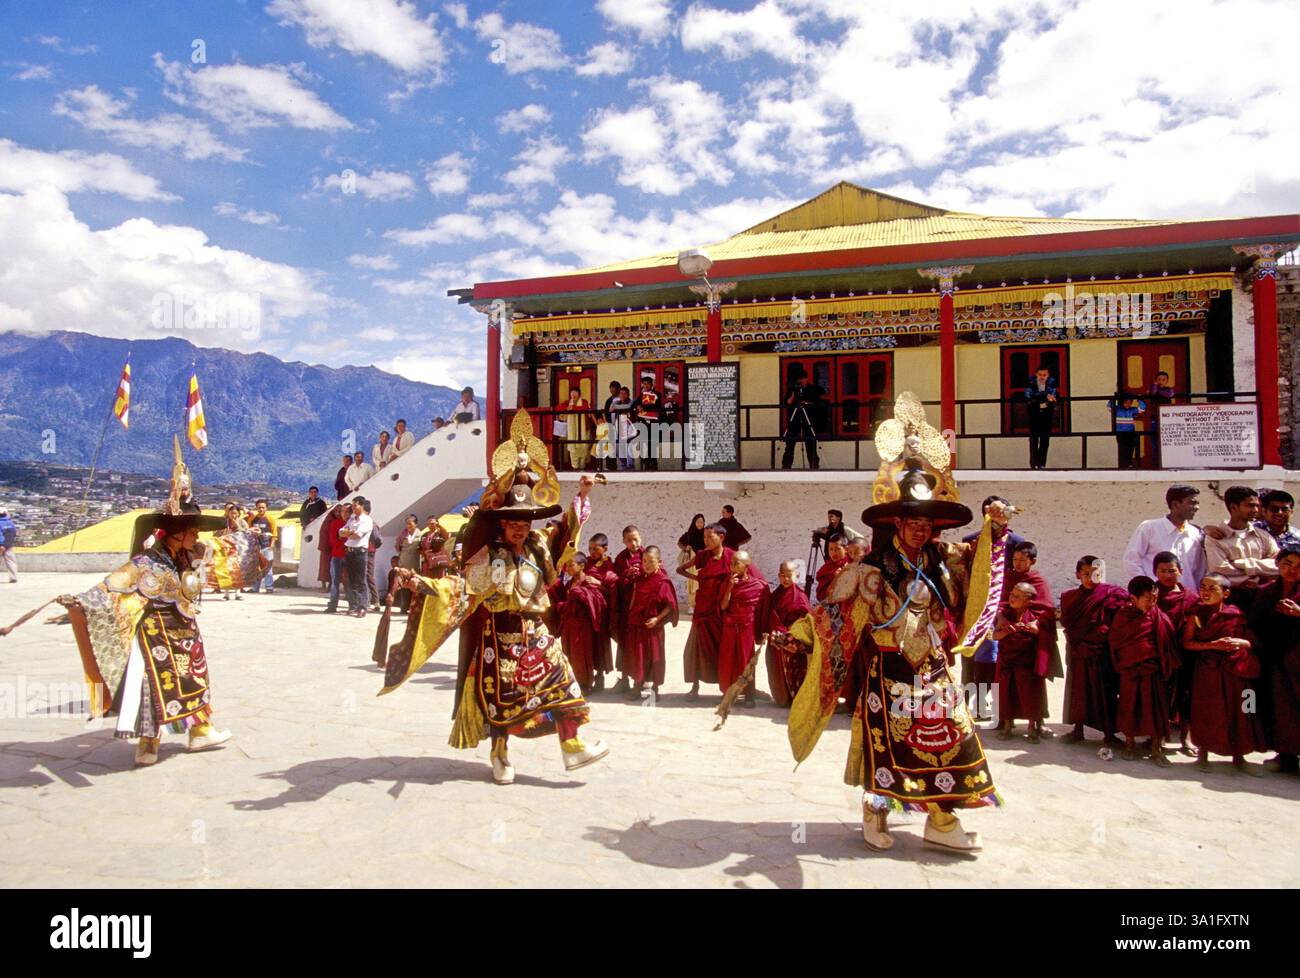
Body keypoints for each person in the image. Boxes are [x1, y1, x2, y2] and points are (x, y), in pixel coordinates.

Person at [380, 413, 608, 786]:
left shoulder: (537, 546)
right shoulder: (491, 556)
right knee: (503, 698)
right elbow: (460, 589)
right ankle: (499, 752)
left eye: (525, 521)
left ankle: (572, 745)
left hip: (536, 633)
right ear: (501, 522)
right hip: (498, 638)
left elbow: (565, 534)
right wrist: (419, 581)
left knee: (563, 683)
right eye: (513, 521)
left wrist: (583, 494)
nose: (521, 527)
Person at [781, 456, 995, 853]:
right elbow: (831, 612)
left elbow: (979, 561)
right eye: (913, 523)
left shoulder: (942, 560)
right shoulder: (871, 568)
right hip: (889, 668)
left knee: (951, 737)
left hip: (933, 667)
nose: (921, 530)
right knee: (885, 745)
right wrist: (800, 636)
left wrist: (993, 526)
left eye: (927, 524)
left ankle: (943, 818)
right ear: (895, 523)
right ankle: (875, 812)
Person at [34, 450, 232, 766]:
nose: (196, 536)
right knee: (152, 684)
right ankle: (149, 742)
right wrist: (82, 602)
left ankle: (200, 730)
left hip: (185, 631)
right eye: (192, 530)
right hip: (154, 633)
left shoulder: (184, 557)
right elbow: (112, 584)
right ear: (178, 533)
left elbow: (215, 556)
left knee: (194, 678)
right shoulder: (146, 562)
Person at [1183, 574, 1265, 774]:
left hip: (1235, 671)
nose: (1206, 592)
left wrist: (1241, 643)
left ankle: (1239, 756)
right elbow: (1187, 642)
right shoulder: (1196, 614)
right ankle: (1203, 755)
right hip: (1207, 670)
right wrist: (1212, 645)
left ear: (1226, 593)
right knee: (1206, 712)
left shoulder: (1235, 615)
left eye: (1213, 588)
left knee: (1240, 712)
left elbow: (1252, 641)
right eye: (1203, 587)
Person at [1109, 576, 1179, 765]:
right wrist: (1125, 663)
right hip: (1131, 671)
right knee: (1130, 707)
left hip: (1154, 672)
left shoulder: (1159, 616)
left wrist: (1163, 663)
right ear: (1133, 599)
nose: (1153, 602)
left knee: (1156, 710)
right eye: (1148, 599)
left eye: (1155, 598)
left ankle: (1156, 748)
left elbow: (1168, 642)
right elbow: (1115, 643)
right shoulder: (1123, 616)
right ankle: (1129, 744)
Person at [1060, 556, 1129, 745]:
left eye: (1096, 574)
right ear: (1078, 575)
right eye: (1086, 574)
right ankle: (1078, 729)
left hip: (1102, 652)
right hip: (1078, 650)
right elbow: (1067, 622)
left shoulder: (1112, 594)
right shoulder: (1069, 596)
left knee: (1105, 693)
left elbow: (1123, 619)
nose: (1091, 578)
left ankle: (1109, 733)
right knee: (1078, 692)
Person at [1247, 545, 1300, 775]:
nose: (1292, 571)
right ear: (1278, 564)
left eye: (1299, 567)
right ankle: (1286, 756)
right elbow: (1255, 623)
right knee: (1281, 710)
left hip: (1298, 660)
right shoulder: (1268, 591)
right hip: (1278, 661)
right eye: (1287, 564)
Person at [991, 581, 1054, 742]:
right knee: (1006, 693)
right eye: (1012, 594)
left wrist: (1036, 630)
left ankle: (1032, 727)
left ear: (1029, 601)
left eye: (1018, 596)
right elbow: (994, 636)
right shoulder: (1004, 614)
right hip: (1007, 661)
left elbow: (1047, 636)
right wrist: (1005, 631)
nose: (1012, 598)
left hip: (1027, 662)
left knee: (1030, 695)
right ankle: (1006, 726)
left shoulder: (1036, 617)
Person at [679, 522, 734, 701]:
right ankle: (695, 687)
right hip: (703, 609)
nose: (706, 540)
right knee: (696, 648)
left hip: (721, 610)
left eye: (710, 536)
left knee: (722, 649)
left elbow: (746, 575)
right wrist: (698, 577)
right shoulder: (703, 555)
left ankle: (725, 688)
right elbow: (680, 569)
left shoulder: (732, 557)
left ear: (721, 537)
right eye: (704, 537)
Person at [1153, 550, 1201, 755]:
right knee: (1159, 696)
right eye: (1162, 571)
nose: (1167, 575)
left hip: (1184, 654)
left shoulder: (1190, 597)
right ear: (1155, 572)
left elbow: (1199, 625)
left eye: (1172, 570)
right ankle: (1159, 736)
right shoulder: (1152, 596)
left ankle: (1186, 738)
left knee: (1186, 697)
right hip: (1158, 654)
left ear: (1181, 571)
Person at [1203, 485, 1279, 613]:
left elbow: (1277, 564)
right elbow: (1220, 571)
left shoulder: (1262, 535)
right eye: (1250, 505)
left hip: (1261, 598)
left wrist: (1246, 565)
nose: (1255, 510)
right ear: (1233, 507)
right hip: (1231, 599)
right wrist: (1256, 577)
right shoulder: (1215, 537)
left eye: (1257, 505)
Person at [622, 545, 679, 700]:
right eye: (644, 561)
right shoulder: (639, 579)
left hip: (654, 626)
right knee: (638, 656)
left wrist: (657, 619)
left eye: (650, 561)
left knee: (655, 657)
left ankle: (655, 689)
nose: (646, 565)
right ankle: (637, 686)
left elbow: (670, 605)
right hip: (638, 625)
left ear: (659, 562)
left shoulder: (663, 581)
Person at [1122, 484, 1205, 587]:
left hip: (1187, 598)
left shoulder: (1195, 533)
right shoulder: (1149, 528)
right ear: (1175, 504)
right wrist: (1147, 588)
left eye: (1197, 503)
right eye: (1192, 503)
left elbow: (1199, 571)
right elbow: (1131, 561)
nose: (1197, 507)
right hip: (1156, 598)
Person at [717, 551, 771, 709]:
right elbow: (723, 606)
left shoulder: (758, 586)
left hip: (746, 629)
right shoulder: (727, 582)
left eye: (736, 563)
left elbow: (763, 610)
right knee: (727, 661)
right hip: (730, 627)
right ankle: (728, 693)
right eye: (731, 562)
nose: (732, 565)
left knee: (746, 662)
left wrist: (763, 632)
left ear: (746, 566)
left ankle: (748, 694)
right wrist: (730, 587)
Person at [550, 553, 609, 694]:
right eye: (567, 565)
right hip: (568, 625)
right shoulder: (570, 583)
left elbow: (597, 600)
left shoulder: (588, 581)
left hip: (582, 626)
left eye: (571, 565)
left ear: (582, 566)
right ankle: (571, 681)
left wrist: (579, 594)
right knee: (568, 654)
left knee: (581, 656)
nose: (568, 568)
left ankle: (584, 683)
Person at [765, 559, 812, 707]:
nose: (785, 579)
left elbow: (806, 620)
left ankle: (796, 698)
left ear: (795, 576)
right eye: (782, 575)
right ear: (779, 576)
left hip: (793, 640)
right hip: (777, 638)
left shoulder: (800, 596)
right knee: (776, 669)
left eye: (789, 575)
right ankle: (782, 698)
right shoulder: (775, 596)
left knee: (795, 671)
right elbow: (770, 615)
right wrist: (778, 632)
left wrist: (790, 635)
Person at [610, 525, 645, 693]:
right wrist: (626, 575)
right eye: (629, 540)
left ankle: (642, 678)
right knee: (624, 644)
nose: (634, 543)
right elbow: (615, 583)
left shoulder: (648, 555)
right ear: (624, 541)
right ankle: (624, 679)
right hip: (626, 608)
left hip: (642, 609)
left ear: (641, 538)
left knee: (640, 645)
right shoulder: (620, 559)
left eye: (636, 539)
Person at [782, 366, 821, 470]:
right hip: (794, 419)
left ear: (806, 379)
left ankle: (814, 467)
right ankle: (786, 467)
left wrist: (806, 403)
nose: (801, 382)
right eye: (799, 380)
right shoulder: (792, 389)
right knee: (790, 444)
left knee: (810, 444)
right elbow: (787, 402)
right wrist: (794, 393)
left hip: (807, 418)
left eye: (802, 379)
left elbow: (817, 403)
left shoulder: (812, 389)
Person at [340, 498, 372, 618]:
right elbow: (340, 532)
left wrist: (348, 533)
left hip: (359, 552)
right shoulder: (353, 518)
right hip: (349, 551)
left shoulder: (367, 520)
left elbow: (357, 535)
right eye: (352, 506)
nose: (353, 508)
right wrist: (349, 532)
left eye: (355, 506)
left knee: (361, 580)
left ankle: (363, 607)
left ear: (362, 506)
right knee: (351, 580)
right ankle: (354, 605)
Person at [1024, 366, 1058, 469]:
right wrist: (1044, 397)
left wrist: (1043, 399)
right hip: (1034, 415)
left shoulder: (1051, 384)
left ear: (1048, 376)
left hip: (1047, 415)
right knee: (1034, 440)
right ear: (1036, 375)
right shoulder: (1031, 384)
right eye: (1040, 375)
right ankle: (1034, 464)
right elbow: (1028, 396)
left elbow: (1053, 398)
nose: (1042, 377)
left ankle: (1042, 464)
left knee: (1045, 440)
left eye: (1044, 375)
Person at [244, 498, 277, 595]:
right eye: (259, 507)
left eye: (263, 507)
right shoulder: (252, 519)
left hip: (266, 546)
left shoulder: (270, 519)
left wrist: (271, 545)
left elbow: (274, 533)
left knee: (268, 568)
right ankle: (255, 588)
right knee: (255, 568)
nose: (261, 509)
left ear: (266, 508)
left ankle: (269, 587)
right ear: (256, 508)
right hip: (255, 547)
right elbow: (248, 531)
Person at [1107, 391, 1147, 469]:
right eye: (1126, 402)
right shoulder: (1117, 409)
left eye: (1130, 402)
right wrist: (1114, 398)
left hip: (1130, 432)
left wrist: (1138, 399)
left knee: (1131, 447)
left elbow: (1142, 408)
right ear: (1122, 402)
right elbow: (1109, 407)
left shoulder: (1132, 410)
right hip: (1120, 432)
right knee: (1122, 448)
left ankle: (1129, 463)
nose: (1128, 404)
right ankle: (1124, 464)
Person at [560, 386, 595, 471]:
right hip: (572, 431)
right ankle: (575, 467)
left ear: (579, 395)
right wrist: (567, 408)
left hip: (584, 430)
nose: (573, 397)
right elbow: (558, 407)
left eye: (575, 395)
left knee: (583, 448)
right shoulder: (568, 402)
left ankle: (583, 467)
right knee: (573, 449)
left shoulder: (584, 402)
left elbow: (585, 408)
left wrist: (573, 408)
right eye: (572, 395)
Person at [677, 513, 706, 612]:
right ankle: (692, 605)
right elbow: (680, 542)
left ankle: (701, 604)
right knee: (693, 582)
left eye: (702, 522)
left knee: (703, 582)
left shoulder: (706, 534)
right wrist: (686, 547)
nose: (700, 524)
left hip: (704, 562)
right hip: (692, 563)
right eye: (698, 522)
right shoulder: (689, 534)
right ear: (694, 523)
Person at [395, 515, 423, 613]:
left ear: (416, 524)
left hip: (415, 564)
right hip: (404, 562)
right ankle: (403, 607)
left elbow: (422, 548)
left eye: (410, 524)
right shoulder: (403, 534)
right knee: (404, 585)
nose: (408, 526)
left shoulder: (420, 535)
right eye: (407, 524)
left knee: (414, 586)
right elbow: (397, 546)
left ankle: (413, 608)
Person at [1146, 371, 1175, 467]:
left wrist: (1158, 390)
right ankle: (1155, 461)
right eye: (1159, 379)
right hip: (1155, 417)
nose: (1161, 381)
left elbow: (1169, 394)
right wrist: (1155, 385)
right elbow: (1152, 393)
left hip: (1166, 418)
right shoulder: (1153, 388)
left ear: (1167, 381)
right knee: (1154, 440)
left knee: (1165, 439)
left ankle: (1167, 460)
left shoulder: (1168, 389)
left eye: (1163, 379)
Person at [323, 503, 348, 613]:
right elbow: (333, 541)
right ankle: (332, 604)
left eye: (347, 511)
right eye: (342, 511)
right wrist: (343, 539)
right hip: (337, 555)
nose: (344, 514)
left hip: (350, 557)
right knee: (335, 581)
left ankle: (353, 604)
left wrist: (341, 538)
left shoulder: (353, 524)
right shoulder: (335, 523)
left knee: (351, 581)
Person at [634, 377, 661, 471]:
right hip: (643, 422)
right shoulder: (641, 395)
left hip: (654, 422)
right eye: (644, 384)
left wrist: (644, 407)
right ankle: (645, 465)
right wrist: (638, 406)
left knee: (652, 444)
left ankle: (653, 466)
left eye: (647, 384)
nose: (646, 385)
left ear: (651, 384)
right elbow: (634, 405)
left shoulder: (658, 394)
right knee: (644, 444)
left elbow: (656, 406)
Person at [814, 534, 849, 603]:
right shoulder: (827, 567)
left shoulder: (851, 564)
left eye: (837, 549)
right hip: (831, 604)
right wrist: (835, 579)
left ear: (846, 549)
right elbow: (821, 595)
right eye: (831, 549)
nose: (833, 553)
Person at [362, 497, 382, 610]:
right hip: (363, 550)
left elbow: (378, 539)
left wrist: (372, 547)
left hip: (369, 551)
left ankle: (375, 601)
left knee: (369, 576)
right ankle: (367, 600)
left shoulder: (372, 523)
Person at [0, 507, 18, 583]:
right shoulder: (10, 523)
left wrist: (1, 544)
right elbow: (14, 533)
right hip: (9, 545)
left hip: (1, 545)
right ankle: (13, 577)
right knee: (11, 561)